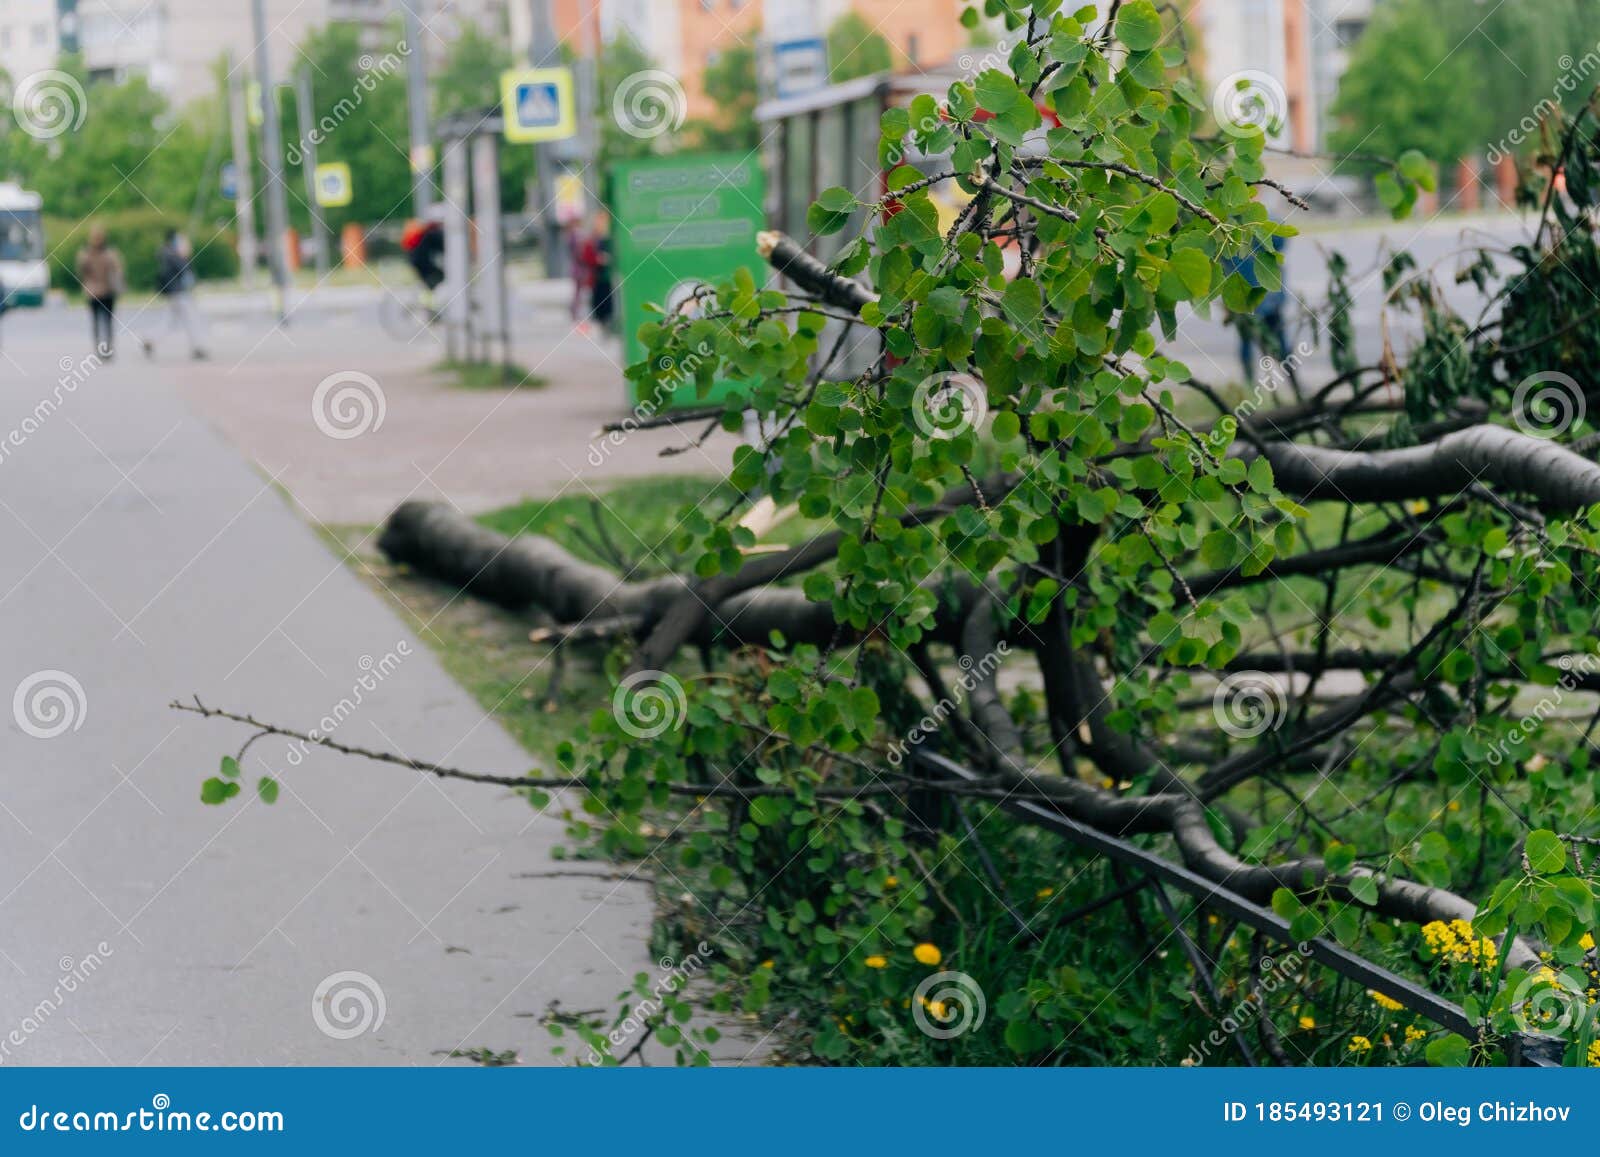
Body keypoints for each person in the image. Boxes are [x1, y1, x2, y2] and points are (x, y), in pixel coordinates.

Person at [1224, 231, 1290, 384]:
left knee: (1276, 341)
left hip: (1260, 298)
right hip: (1254, 298)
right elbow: (1280, 242)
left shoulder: (1230, 229)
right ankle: (1250, 382)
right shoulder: (1232, 228)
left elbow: (1280, 241)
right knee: (1268, 341)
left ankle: (1252, 383)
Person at [143, 230, 208, 360]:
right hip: (180, 293)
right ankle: (197, 347)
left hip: (175, 293)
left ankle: (151, 340)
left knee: (169, 322)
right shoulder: (173, 255)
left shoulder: (167, 254)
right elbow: (185, 269)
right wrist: (185, 255)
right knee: (191, 320)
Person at [75, 224, 124, 359]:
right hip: (107, 291)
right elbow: (118, 270)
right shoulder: (110, 254)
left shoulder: (85, 254)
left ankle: (99, 349)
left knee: (97, 322)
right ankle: (107, 348)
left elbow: (81, 272)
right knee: (107, 322)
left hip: (93, 292)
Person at [400, 206, 446, 306]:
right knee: (439, 280)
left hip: (416, 261)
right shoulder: (433, 233)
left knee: (431, 284)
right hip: (423, 263)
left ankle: (429, 304)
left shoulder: (424, 231)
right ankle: (430, 306)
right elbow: (444, 246)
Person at [583, 209, 613, 332]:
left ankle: (607, 321)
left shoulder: (608, 237)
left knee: (607, 298)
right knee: (600, 298)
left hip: (607, 275)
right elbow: (586, 256)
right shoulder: (592, 239)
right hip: (598, 275)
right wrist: (597, 259)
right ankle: (603, 321)